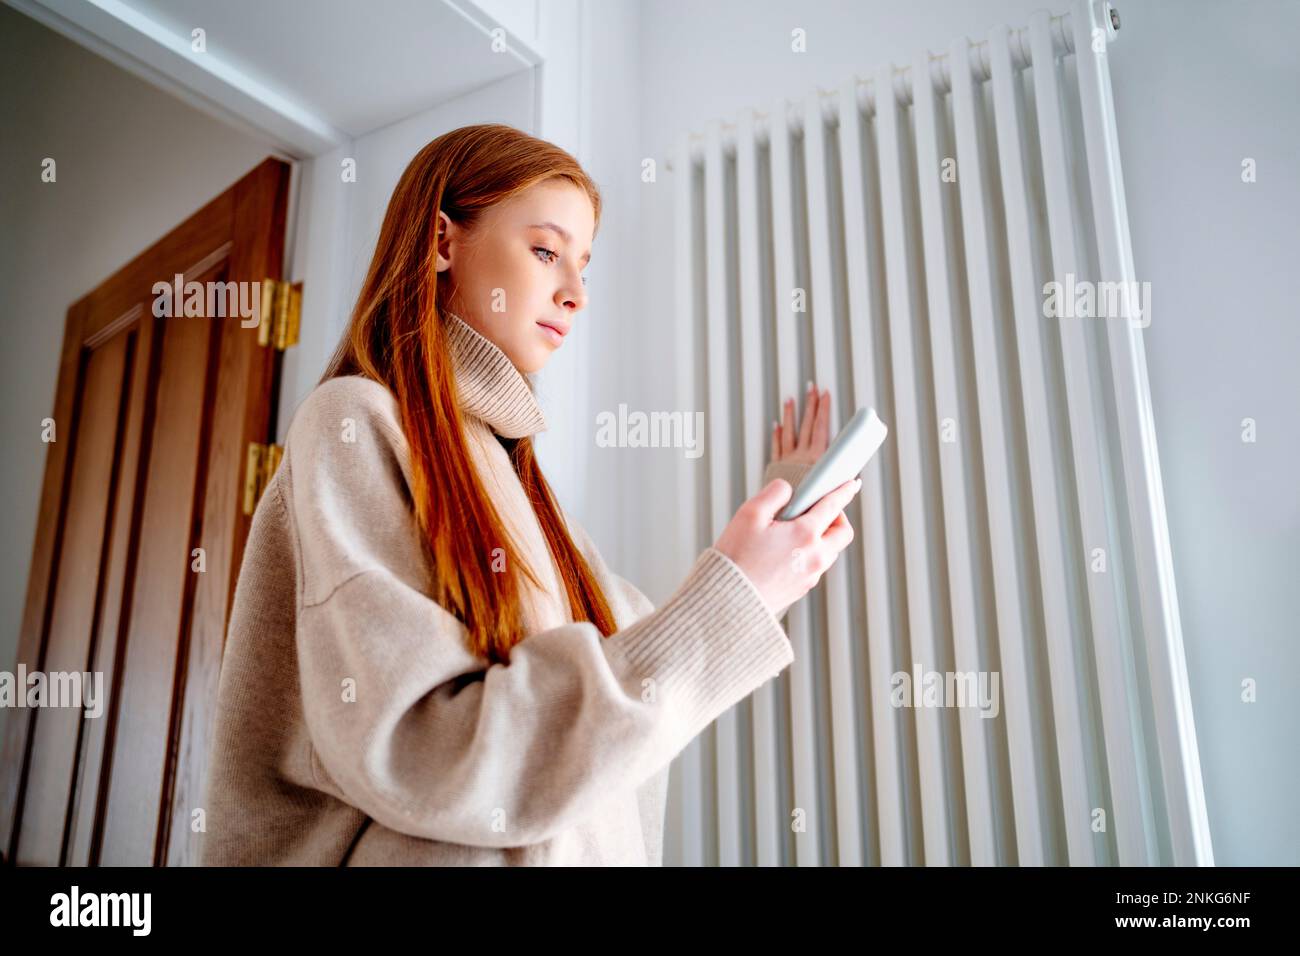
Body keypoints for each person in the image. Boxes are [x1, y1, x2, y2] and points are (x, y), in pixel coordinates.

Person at [200, 123, 860, 866]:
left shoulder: (531, 499)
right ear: (442, 242)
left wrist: (783, 508)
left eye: (584, 266)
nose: (575, 294)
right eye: (547, 252)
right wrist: (737, 590)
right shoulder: (353, 422)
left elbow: (641, 665)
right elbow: (425, 752)